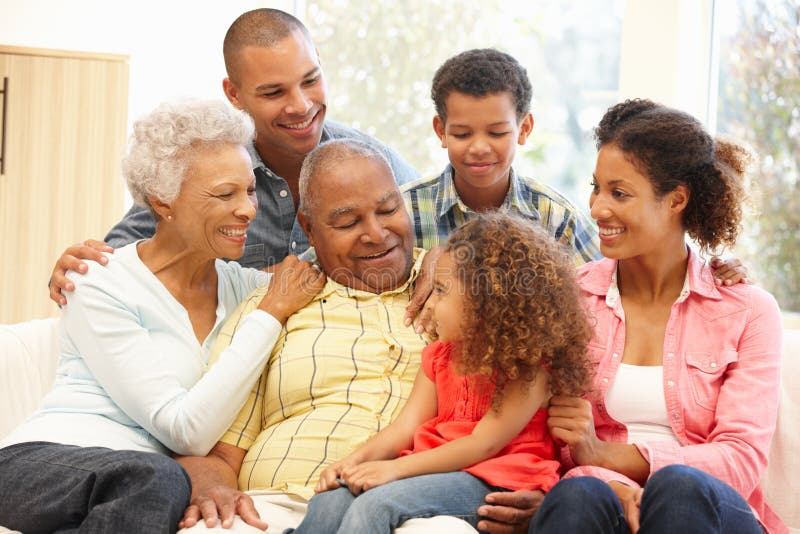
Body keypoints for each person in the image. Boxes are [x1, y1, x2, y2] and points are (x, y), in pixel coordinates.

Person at [0, 99, 325, 534]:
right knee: (159, 477)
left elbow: (341, 273)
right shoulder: (97, 281)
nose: (248, 209)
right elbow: (184, 432)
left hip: (138, 494)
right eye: (225, 194)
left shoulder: (249, 290)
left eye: (249, 190)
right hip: (42, 464)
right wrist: (268, 316)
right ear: (162, 201)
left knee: (155, 484)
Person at [487, 99, 786, 534]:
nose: (596, 208)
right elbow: (558, 438)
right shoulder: (571, 299)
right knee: (577, 496)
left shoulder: (747, 311)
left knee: (678, 488)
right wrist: (611, 481)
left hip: (709, 511)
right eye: (596, 188)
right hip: (601, 496)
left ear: (676, 200)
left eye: (619, 193)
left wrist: (609, 456)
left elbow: (739, 460)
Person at [175, 139, 472, 533]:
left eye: (388, 210)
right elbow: (215, 450)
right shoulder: (274, 304)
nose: (376, 233)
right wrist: (213, 490)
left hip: (412, 507)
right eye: (348, 223)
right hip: (278, 504)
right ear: (309, 230)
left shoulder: (460, 292)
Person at [48, 7, 418, 305]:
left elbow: (435, 234)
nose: (301, 106)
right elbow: (117, 261)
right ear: (234, 94)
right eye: (273, 93)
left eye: (310, 80)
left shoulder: (372, 162)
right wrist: (82, 269)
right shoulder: (205, 167)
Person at [287, 212, 593, 534]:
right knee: (331, 499)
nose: (430, 305)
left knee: (376, 505)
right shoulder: (440, 356)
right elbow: (405, 426)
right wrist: (353, 462)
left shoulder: (527, 368)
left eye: (442, 291)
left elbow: (483, 444)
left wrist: (395, 470)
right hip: (433, 471)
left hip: (497, 479)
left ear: (487, 300)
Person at [400, 48, 599, 265]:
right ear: (441, 131)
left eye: (497, 133)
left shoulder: (556, 219)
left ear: (524, 129)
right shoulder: (404, 211)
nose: (479, 148)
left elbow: (607, 280)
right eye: (462, 134)